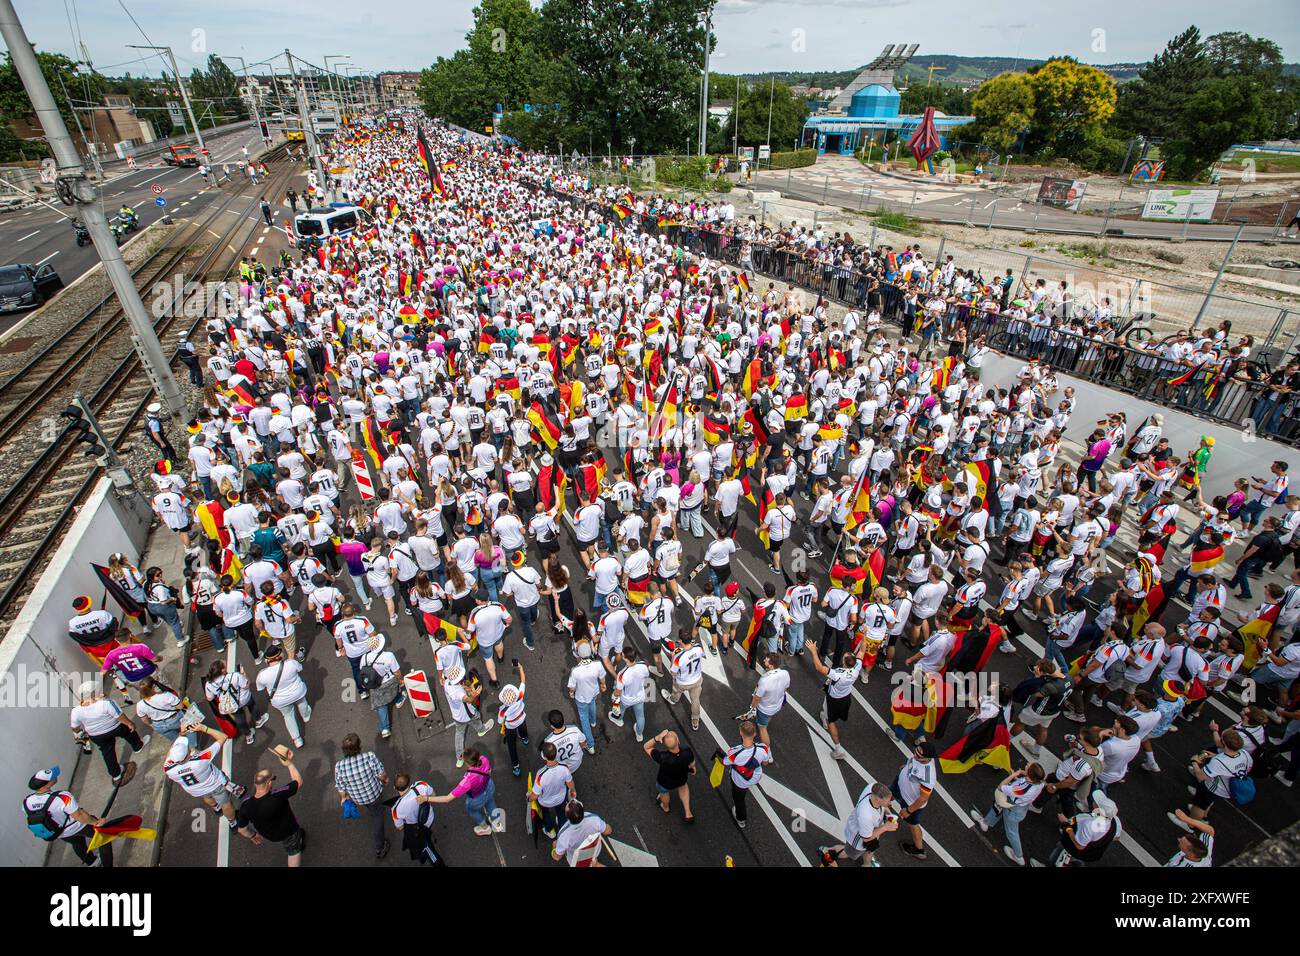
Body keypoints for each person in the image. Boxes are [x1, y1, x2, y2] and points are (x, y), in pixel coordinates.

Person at [70, 680, 149, 787]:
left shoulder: (76, 711)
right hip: (114, 727)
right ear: (93, 693)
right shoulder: (106, 703)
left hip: (96, 735)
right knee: (129, 733)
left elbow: (75, 727)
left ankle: (116, 775)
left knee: (107, 752)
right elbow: (119, 716)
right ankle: (138, 746)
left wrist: (81, 734)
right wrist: (130, 723)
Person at [235, 747, 306, 866]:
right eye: (273, 779)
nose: (273, 781)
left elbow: (242, 829)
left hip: (271, 835)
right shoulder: (277, 795)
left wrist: (253, 835)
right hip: (288, 831)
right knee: (293, 851)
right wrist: (289, 764)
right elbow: (298, 781)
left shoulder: (246, 805)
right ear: (268, 783)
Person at [24, 766, 107, 866]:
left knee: (77, 843)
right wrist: (96, 822)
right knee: (104, 837)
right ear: (44, 787)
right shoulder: (62, 796)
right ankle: (108, 863)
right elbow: (79, 815)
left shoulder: (26, 802)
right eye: (51, 778)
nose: (55, 776)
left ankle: (92, 862)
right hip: (78, 826)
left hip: (61, 832)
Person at [163, 723, 242, 827]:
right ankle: (232, 822)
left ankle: (216, 808)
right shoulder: (201, 759)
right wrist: (204, 728)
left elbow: (170, 754)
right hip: (215, 785)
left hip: (196, 789)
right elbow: (223, 737)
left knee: (207, 797)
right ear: (188, 752)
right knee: (226, 804)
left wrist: (182, 734)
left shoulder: (168, 768)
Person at [970, 764, 1047, 866]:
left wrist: (1015, 774)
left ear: (1030, 773)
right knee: (998, 807)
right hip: (1019, 806)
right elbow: (1026, 782)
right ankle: (985, 822)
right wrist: (1020, 776)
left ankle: (1019, 856)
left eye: (1029, 765)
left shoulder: (1021, 789)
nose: (1027, 764)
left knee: (1011, 832)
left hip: (1013, 809)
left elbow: (1001, 787)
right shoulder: (1039, 783)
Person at [419, 747, 505, 836]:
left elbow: (447, 798)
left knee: (473, 811)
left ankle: (485, 828)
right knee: (491, 803)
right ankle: (497, 824)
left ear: (468, 764)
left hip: (476, 799)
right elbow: (489, 771)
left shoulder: (467, 781)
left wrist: (426, 798)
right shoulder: (484, 759)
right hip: (489, 787)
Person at [333, 732, 390, 859]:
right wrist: (385, 780)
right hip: (374, 794)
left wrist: (343, 798)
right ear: (359, 746)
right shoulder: (369, 757)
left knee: (371, 808)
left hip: (358, 798)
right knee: (377, 816)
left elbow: (340, 787)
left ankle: (372, 811)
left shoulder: (339, 767)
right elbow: (381, 774)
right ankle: (379, 847)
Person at [806, 637, 862, 758]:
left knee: (831, 721)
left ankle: (838, 749)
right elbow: (862, 651)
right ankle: (826, 717)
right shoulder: (856, 669)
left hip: (834, 699)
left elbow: (819, 668)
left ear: (845, 662)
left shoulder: (837, 674)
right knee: (833, 713)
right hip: (846, 697)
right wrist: (866, 635)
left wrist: (814, 652)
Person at [819, 782, 897, 867]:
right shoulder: (866, 815)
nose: (890, 803)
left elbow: (883, 807)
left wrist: (889, 814)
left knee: (869, 849)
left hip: (870, 831)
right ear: (878, 799)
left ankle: (867, 865)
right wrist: (885, 827)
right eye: (888, 801)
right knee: (848, 853)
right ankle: (827, 852)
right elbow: (866, 838)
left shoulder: (874, 788)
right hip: (858, 838)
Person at [720, 719, 771, 829]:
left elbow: (724, 762)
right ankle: (741, 818)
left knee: (739, 800)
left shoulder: (735, 752)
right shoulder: (763, 748)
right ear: (755, 734)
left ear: (741, 733)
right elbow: (766, 762)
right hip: (755, 776)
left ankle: (741, 819)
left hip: (740, 780)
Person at [892, 739, 938, 861]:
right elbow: (912, 762)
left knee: (913, 825)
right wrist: (905, 767)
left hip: (910, 802)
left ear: (928, 759)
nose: (915, 755)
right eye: (916, 752)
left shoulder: (928, 776)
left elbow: (923, 798)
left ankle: (919, 850)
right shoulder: (918, 757)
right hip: (900, 785)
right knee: (889, 794)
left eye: (919, 756)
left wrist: (908, 810)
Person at [644, 729, 696, 822]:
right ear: (678, 741)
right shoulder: (687, 751)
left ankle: (666, 807)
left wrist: (657, 738)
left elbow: (646, 747)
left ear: (665, 745)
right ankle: (688, 813)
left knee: (663, 793)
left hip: (665, 782)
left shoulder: (662, 757)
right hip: (681, 778)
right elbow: (692, 763)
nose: (669, 734)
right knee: (683, 788)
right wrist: (692, 768)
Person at [660, 626, 705, 731]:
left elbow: (673, 671)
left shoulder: (678, 655)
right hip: (697, 679)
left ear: (680, 640)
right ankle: (695, 720)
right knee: (695, 700)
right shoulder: (698, 647)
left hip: (683, 682)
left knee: (676, 692)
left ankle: (673, 699)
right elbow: (700, 655)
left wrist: (673, 656)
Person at [531, 742, 577, 838]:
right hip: (561, 798)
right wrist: (573, 790)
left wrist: (529, 798)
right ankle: (562, 832)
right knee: (561, 814)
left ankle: (550, 831)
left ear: (544, 756)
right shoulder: (564, 767)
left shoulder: (541, 774)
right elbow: (570, 783)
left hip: (545, 801)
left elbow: (535, 795)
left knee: (545, 813)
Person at [551, 799, 612, 865]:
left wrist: (554, 847)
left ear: (566, 816)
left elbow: (557, 857)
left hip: (577, 860)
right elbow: (608, 831)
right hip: (595, 851)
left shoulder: (563, 835)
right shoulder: (594, 819)